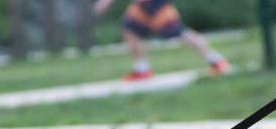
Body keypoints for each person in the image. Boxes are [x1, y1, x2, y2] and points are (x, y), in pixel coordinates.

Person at [93, 0, 230, 80]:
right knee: (129, 29)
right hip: (141, 6)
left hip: (156, 4)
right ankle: (142, 70)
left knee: (181, 33)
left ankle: (217, 61)